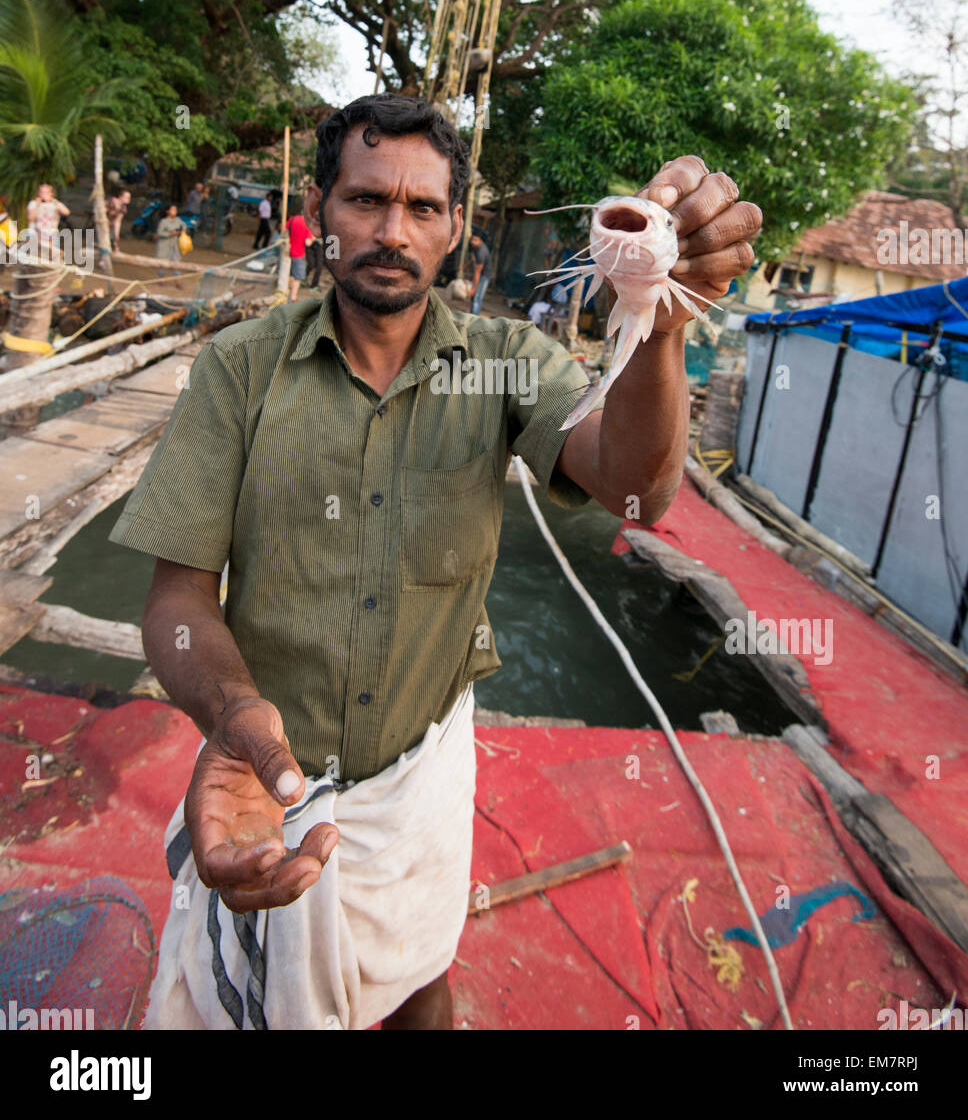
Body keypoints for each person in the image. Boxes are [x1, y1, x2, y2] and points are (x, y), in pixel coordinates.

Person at [109, 93, 759, 1031]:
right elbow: (175, 604)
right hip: (265, 783)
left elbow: (632, 495)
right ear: (320, 209)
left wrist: (659, 320)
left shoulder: (506, 364)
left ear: (454, 229)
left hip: (419, 783)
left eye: (421, 209)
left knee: (421, 977)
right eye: (365, 201)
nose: (391, 230)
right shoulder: (239, 371)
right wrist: (231, 716)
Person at [26, 183, 71, 258]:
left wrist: (53, 201)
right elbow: (31, 218)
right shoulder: (33, 203)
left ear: (51, 193)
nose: (44, 194)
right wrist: (38, 205)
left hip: (51, 236)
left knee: (51, 257)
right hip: (36, 235)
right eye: (42, 192)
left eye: (46, 192)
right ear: (38, 193)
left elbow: (66, 212)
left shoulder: (55, 204)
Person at [285, 201, 315, 303]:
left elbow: (285, 231)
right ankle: (293, 297)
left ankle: (285, 292)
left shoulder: (292, 219)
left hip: (287, 253)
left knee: (289, 275)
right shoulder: (308, 225)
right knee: (297, 277)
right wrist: (313, 238)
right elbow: (307, 243)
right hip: (299, 254)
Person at [154, 203, 186, 285]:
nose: (175, 211)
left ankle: (178, 282)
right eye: (173, 210)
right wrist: (170, 234)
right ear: (167, 211)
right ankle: (161, 280)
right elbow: (159, 233)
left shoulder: (178, 220)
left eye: (175, 210)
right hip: (164, 246)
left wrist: (182, 231)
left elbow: (184, 226)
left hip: (174, 246)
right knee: (163, 263)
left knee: (176, 263)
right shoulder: (163, 222)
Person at [469, 228, 492, 314]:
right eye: (472, 239)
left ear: (481, 241)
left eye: (475, 240)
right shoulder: (476, 247)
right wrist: (464, 266)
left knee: (477, 297)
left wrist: (474, 289)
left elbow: (477, 272)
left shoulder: (481, 252)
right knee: (473, 297)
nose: (472, 242)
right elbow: (473, 259)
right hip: (480, 274)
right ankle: (471, 316)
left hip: (484, 276)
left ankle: (474, 319)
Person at [105, 188, 131, 253]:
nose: (128, 199)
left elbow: (118, 221)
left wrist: (116, 234)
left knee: (113, 242)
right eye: (126, 197)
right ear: (120, 196)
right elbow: (101, 212)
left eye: (129, 198)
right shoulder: (111, 201)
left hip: (110, 226)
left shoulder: (123, 208)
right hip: (101, 224)